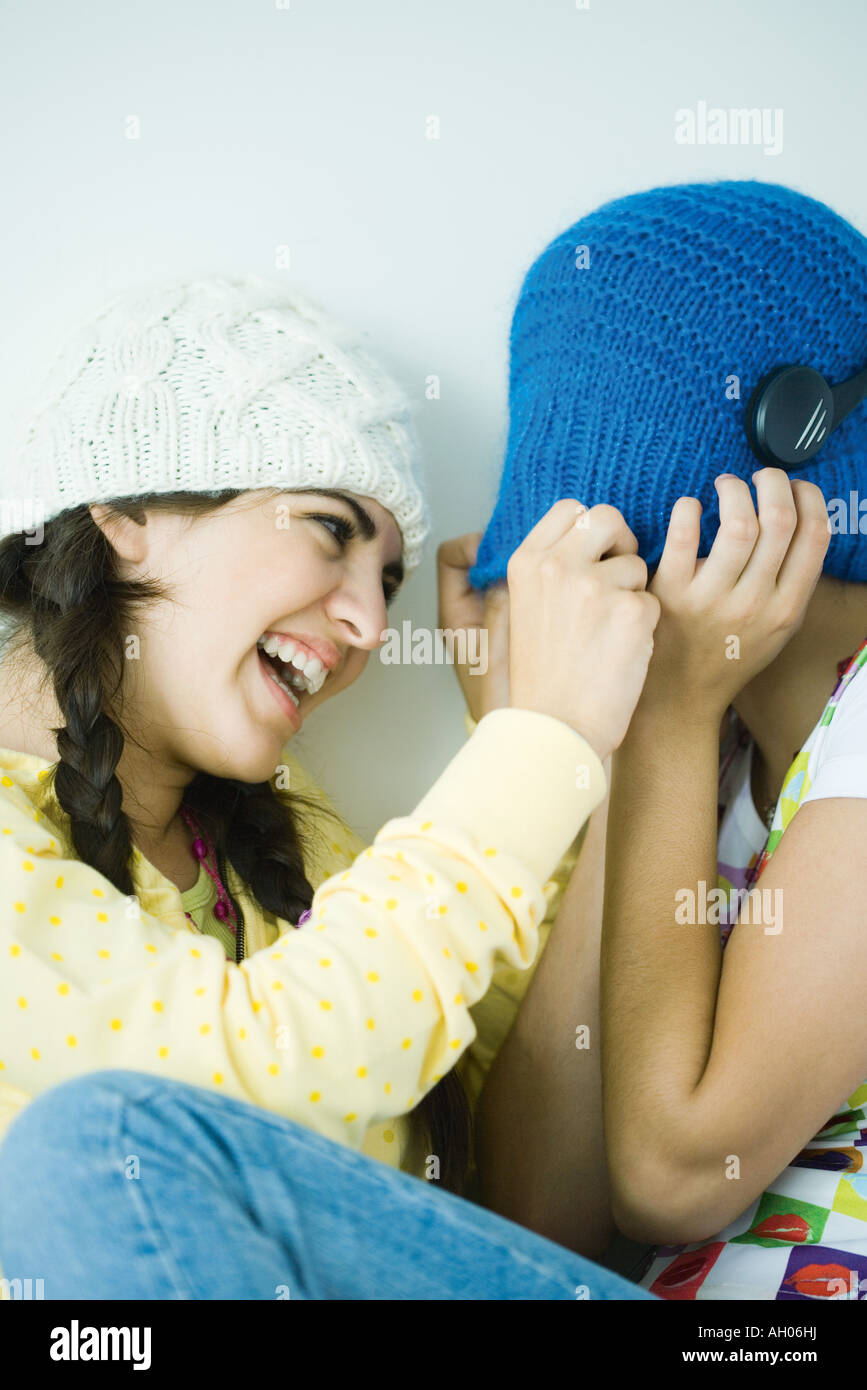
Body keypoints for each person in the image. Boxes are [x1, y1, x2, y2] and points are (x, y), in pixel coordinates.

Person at [0, 272, 660, 1299]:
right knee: (95, 1143)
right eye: (330, 527)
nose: (366, 624)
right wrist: (540, 743)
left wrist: (585, 761)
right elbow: (251, 1093)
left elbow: (535, 1210)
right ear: (127, 499)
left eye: (389, 580)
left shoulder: (286, 849)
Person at [468, 179, 867, 1300]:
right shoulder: (717, 744)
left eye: (610, 540)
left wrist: (661, 730)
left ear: (800, 433)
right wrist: (583, 744)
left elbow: (675, 1174)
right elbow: (539, 1221)